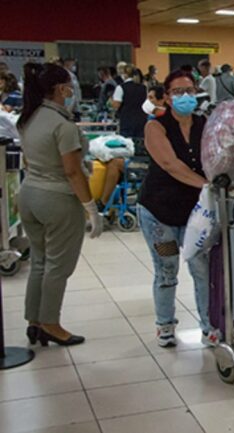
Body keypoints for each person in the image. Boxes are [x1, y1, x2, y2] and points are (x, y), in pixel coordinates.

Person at [16, 62, 104, 347]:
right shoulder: (62, 125)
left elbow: (29, 161)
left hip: (29, 194)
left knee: (40, 262)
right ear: (58, 89)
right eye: (69, 85)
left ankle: (34, 320)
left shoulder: (28, 118)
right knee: (58, 266)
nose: (72, 90)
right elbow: (72, 171)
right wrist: (90, 206)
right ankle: (51, 324)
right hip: (56, 200)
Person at [138, 69, 215, 348]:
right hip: (160, 215)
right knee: (167, 270)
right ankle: (165, 326)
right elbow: (170, 165)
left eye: (190, 91)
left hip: (195, 215)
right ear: (167, 98)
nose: (185, 96)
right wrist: (207, 185)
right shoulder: (155, 126)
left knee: (202, 270)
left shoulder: (205, 124)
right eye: (178, 92)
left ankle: (209, 326)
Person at [111, 65, 148, 138]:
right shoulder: (143, 88)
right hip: (141, 120)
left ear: (125, 74)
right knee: (140, 144)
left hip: (127, 121)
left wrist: (111, 102)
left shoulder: (121, 87)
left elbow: (116, 105)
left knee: (127, 144)